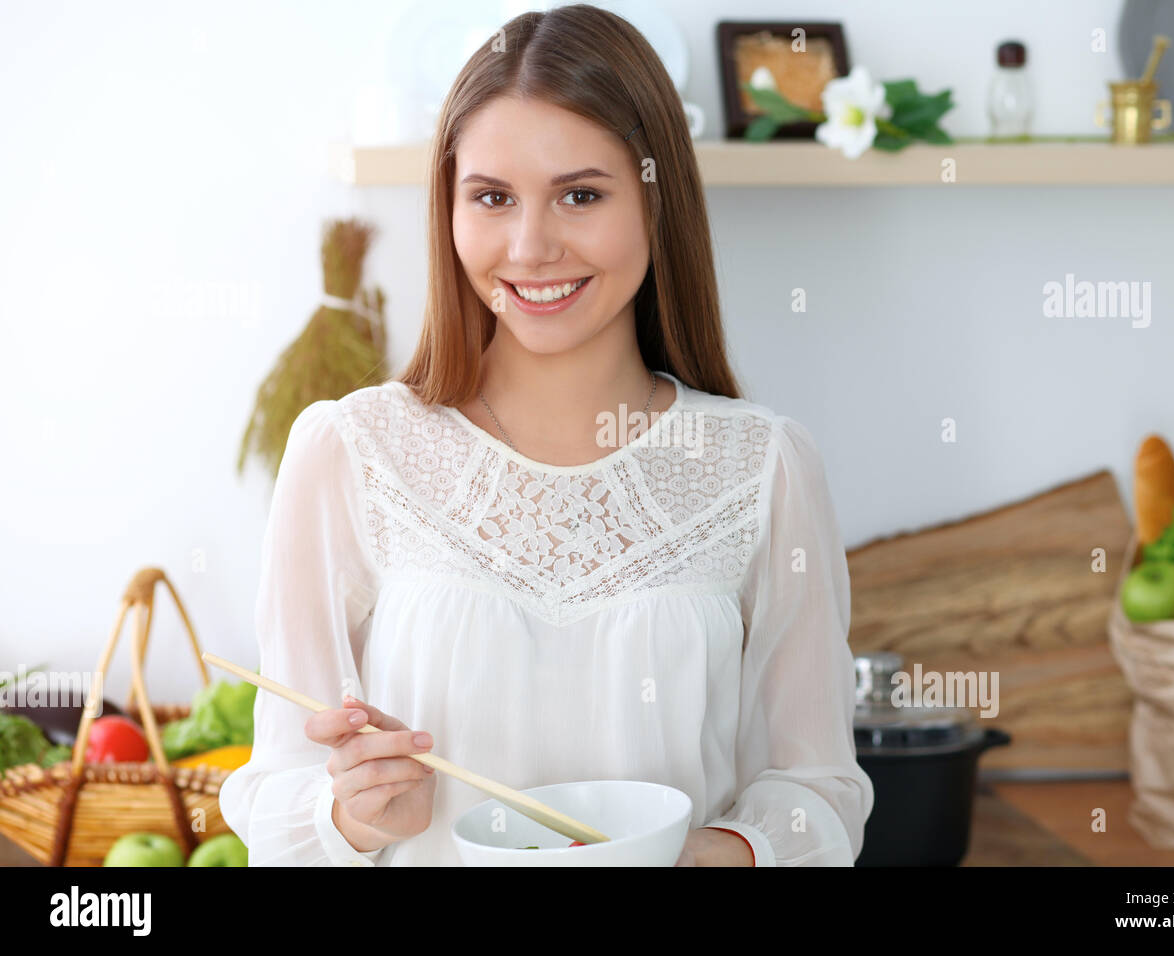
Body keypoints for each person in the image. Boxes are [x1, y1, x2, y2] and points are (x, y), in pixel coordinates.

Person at [219, 3, 872, 866]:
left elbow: (816, 791)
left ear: (655, 200)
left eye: (581, 194)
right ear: (447, 211)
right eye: (491, 197)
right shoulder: (349, 451)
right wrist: (356, 818)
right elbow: (276, 800)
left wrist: (706, 856)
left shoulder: (764, 467)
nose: (530, 247)